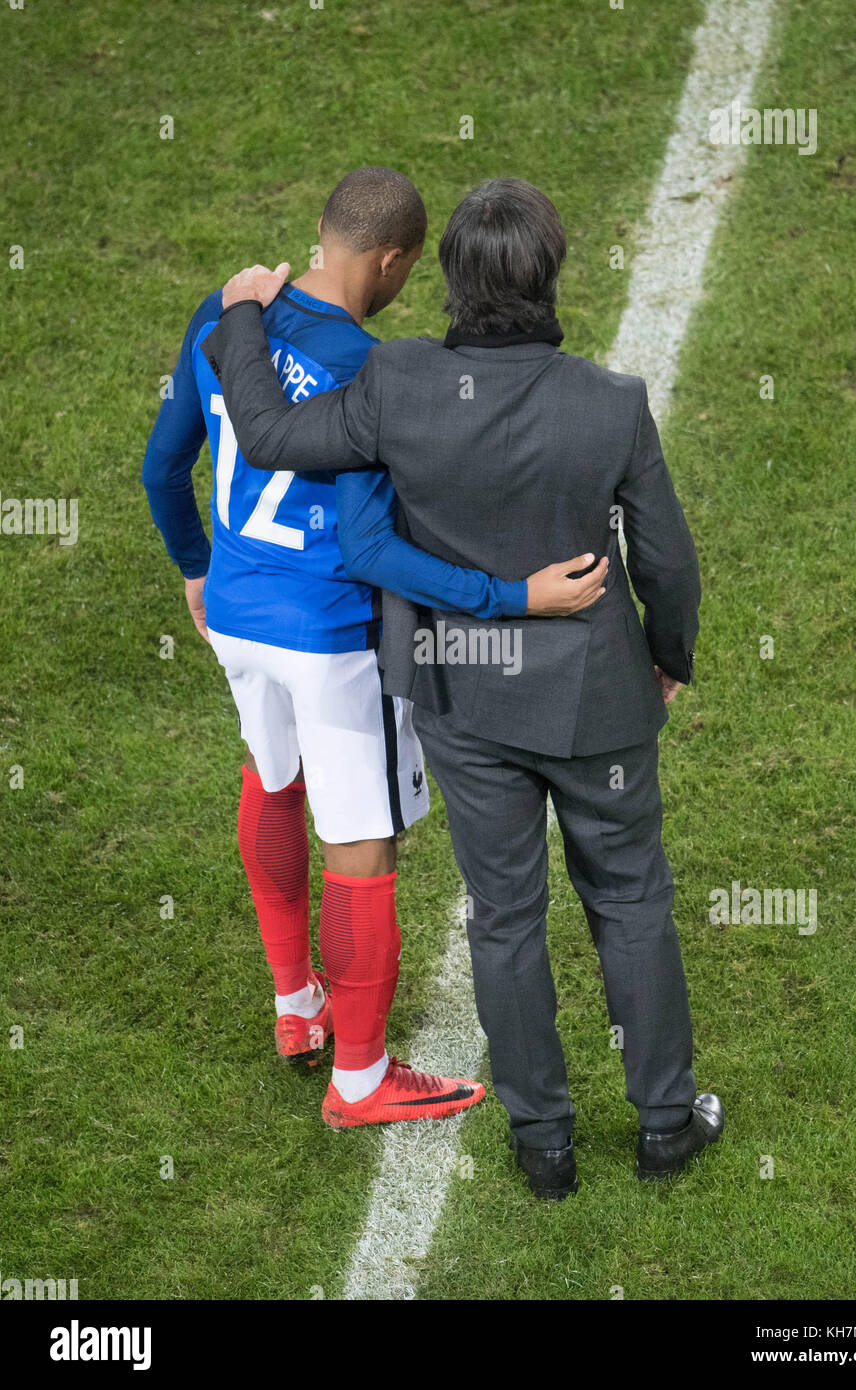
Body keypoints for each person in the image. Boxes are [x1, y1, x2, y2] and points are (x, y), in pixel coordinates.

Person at [198, 176, 723, 1198]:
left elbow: (265, 434)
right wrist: (672, 657)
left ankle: (545, 1144)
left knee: (504, 915)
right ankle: (665, 1122)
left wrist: (241, 317)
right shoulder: (609, 405)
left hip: (463, 699)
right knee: (631, 902)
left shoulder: (395, 384)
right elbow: (668, 559)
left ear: (445, 280)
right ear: (550, 276)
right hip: (596, 704)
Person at [142, 168, 607, 1131]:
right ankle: (359, 1078)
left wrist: (196, 568)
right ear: (393, 260)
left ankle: (294, 1003)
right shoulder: (378, 370)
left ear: (321, 235)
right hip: (331, 638)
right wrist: (513, 599)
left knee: (271, 779)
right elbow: (381, 547)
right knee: (362, 848)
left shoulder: (223, 312)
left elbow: (162, 467)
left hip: (235, 614)